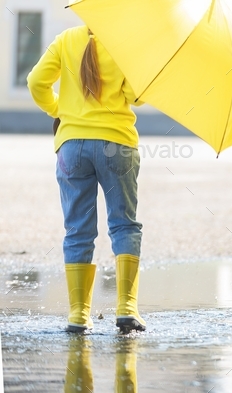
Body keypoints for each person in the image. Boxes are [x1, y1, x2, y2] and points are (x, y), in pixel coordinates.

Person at [27, 26, 146, 333]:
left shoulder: (65, 40)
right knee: (123, 224)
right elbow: (135, 96)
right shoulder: (125, 43)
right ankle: (126, 308)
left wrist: (59, 109)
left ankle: (79, 315)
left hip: (72, 147)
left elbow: (36, 81)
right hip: (116, 145)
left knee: (78, 229)